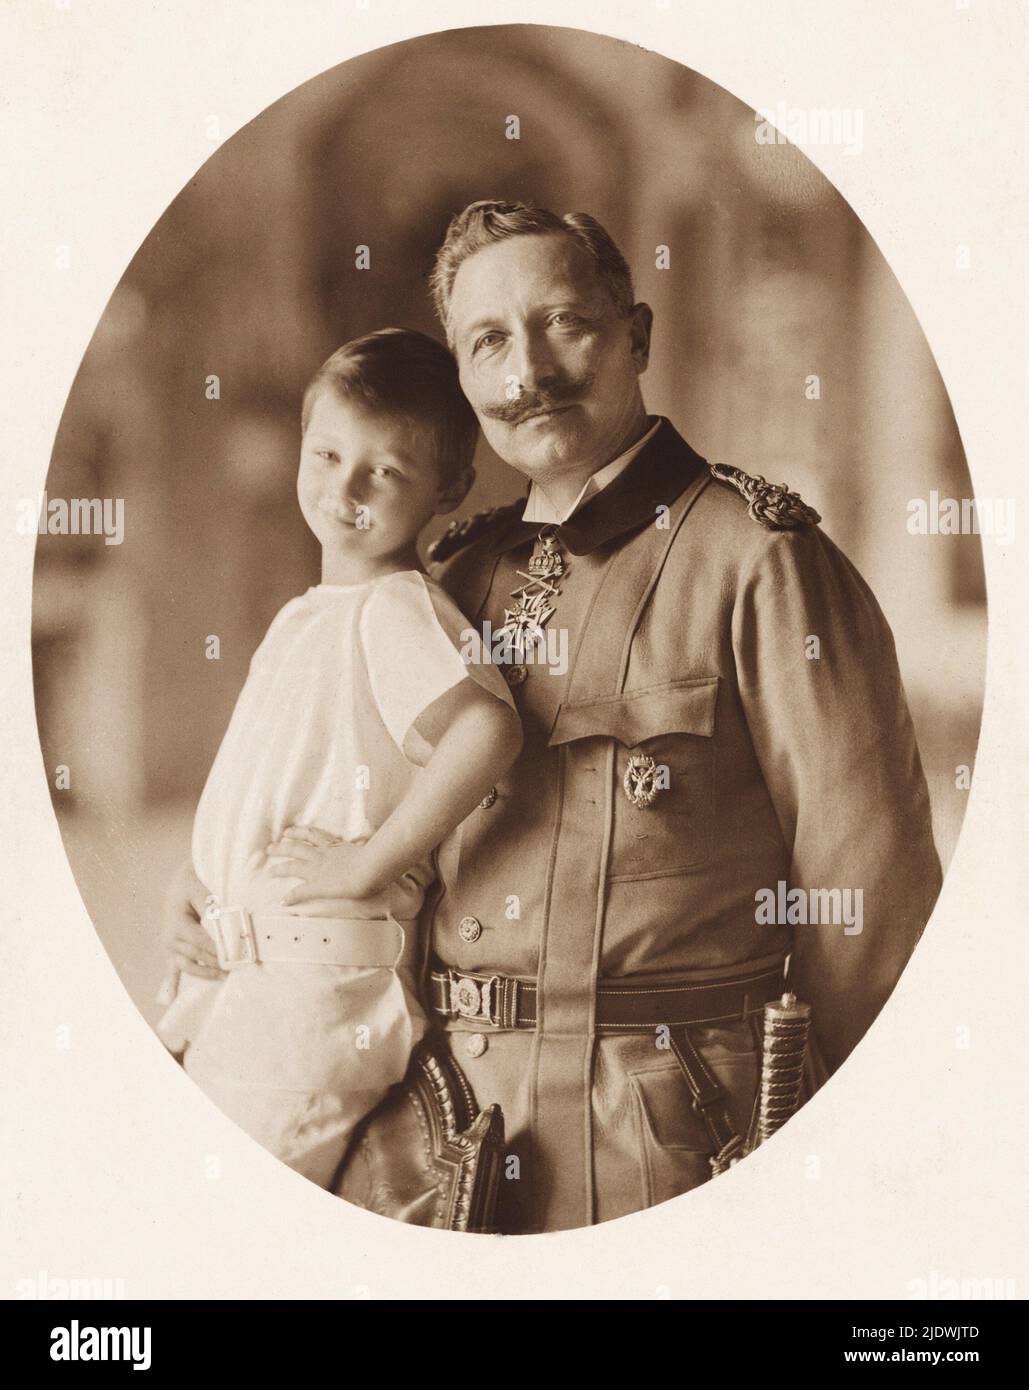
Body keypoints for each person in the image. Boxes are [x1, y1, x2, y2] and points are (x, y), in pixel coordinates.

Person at [169, 202, 942, 1233]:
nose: (527, 370)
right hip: (430, 1144)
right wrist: (225, 894)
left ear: (638, 335)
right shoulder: (446, 575)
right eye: (489, 340)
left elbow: (873, 924)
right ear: (462, 372)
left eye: (565, 323)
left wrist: (824, 1178)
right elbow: (336, 789)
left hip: (672, 1149)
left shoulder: (761, 564)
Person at [156, 327, 521, 1187]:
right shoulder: (311, 614)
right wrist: (202, 876)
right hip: (249, 971)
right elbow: (278, 774)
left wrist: (367, 861)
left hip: (317, 992)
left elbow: (486, 733)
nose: (344, 488)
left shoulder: (394, 610)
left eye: (385, 471)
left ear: (449, 488)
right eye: (325, 454)